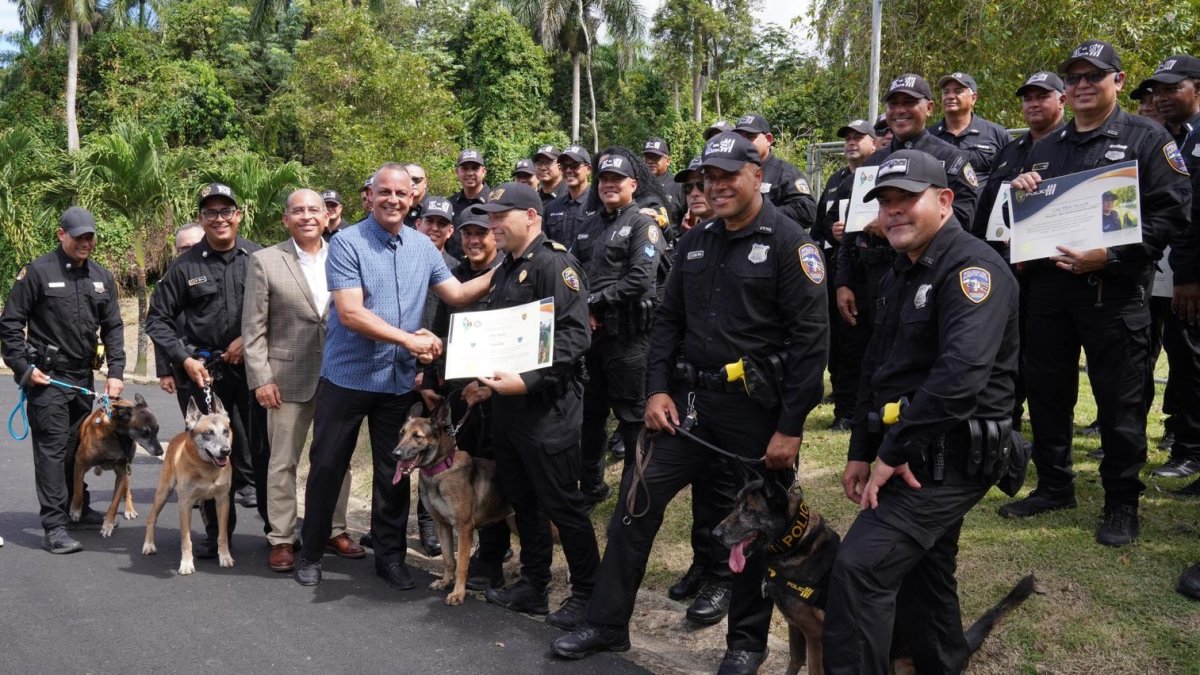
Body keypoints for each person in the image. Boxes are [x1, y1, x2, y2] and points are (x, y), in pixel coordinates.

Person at [552, 132, 828, 675]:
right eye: (708, 178)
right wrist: (656, 390)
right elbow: (667, 323)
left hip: (755, 414)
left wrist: (790, 428)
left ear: (757, 175)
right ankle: (608, 623)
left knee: (751, 530)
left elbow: (811, 345)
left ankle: (744, 644)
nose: (716, 186)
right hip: (687, 406)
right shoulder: (698, 240)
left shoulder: (792, 244)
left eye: (728, 176)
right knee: (634, 506)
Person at [822, 149, 1020, 675]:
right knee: (924, 570)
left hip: (952, 456)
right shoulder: (898, 272)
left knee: (861, 569)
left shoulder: (973, 271)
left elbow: (959, 380)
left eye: (906, 199)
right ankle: (940, 662)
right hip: (911, 448)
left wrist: (892, 451)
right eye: (885, 202)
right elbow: (876, 371)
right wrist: (861, 451)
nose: (893, 212)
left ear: (945, 200)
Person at [999, 40, 1191, 547]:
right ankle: (1055, 486)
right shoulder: (1046, 146)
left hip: (1114, 292)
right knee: (1047, 393)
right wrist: (1024, 194)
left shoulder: (1147, 140)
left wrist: (1111, 256)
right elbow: (1029, 217)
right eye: (1075, 77)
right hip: (1048, 293)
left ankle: (1122, 503)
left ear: (1119, 82)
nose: (1083, 85)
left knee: (1120, 403)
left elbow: (1171, 213)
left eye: (1094, 76)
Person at [293, 163, 495, 588]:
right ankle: (310, 552)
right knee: (328, 465)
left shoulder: (424, 247)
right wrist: (409, 340)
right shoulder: (347, 243)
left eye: (401, 194)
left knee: (395, 473)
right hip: (347, 378)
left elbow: (456, 293)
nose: (393, 200)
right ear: (370, 195)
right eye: (384, 192)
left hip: (395, 382)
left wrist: (515, 260)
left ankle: (390, 558)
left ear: (412, 199)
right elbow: (350, 313)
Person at [468, 183, 601, 632]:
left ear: (530, 216)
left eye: (498, 216)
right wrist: (488, 383)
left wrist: (525, 382)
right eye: (488, 217)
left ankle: (587, 595)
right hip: (508, 411)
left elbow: (574, 338)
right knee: (522, 501)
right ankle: (534, 584)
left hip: (548, 411)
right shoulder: (507, 268)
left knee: (562, 505)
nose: (491, 225)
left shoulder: (555, 265)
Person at [835, 74, 980, 409]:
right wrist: (844, 281)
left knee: (919, 356)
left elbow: (964, 219)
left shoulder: (951, 160)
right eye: (893, 104)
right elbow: (853, 231)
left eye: (909, 103)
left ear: (928, 108)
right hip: (874, 279)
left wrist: (898, 229)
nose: (899, 111)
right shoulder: (871, 165)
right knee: (875, 359)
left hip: (926, 276)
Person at [242, 189, 362, 573]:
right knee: (282, 463)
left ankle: (333, 528)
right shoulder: (265, 260)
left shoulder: (346, 252)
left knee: (335, 461)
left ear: (328, 216)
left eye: (314, 209)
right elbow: (253, 329)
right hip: (286, 378)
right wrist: (261, 377)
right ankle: (281, 538)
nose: (307, 216)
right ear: (285, 219)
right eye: (298, 211)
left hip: (340, 376)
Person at [146, 183, 269, 553]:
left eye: (226, 211)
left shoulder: (260, 258)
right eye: (211, 213)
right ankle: (219, 536)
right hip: (203, 371)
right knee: (208, 451)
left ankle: (275, 533)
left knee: (258, 451)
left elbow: (278, 310)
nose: (219, 218)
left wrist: (248, 343)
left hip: (252, 368)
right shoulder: (185, 266)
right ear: (202, 219)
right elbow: (158, 320)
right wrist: (182, 359)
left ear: (238, 215)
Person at [0, 207, 125, 555]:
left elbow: (113, 327)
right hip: (47, 379)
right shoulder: (38, 272)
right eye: (78, 236)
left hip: (82, 377)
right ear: (61, 234)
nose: (86, 242)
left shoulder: (101, 277)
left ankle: (76, 505)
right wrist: (24, 369)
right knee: (52, 451)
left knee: (77, 448)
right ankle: (54, 525)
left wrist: (115, 372)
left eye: (90, 236)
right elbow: (10, 325)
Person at [421, 212, 511, 591]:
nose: (474, 241)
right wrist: (429, 381)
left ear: (495, 236)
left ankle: (492, 561)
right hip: (459, 394)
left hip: (497, 393)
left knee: (493, 480)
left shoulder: (509, 274)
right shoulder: (453, 278)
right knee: (464, 476)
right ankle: (469, 561)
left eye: (482, 234)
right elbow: (440, 330)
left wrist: (489, 384)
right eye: (468, 234)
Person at [972, 71, 1066, 431]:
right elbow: (987, 209)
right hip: (1004, 270)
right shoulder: (1011, 150)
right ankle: (1005, 420)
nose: (1034, 103)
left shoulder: (1072, 147)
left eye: (1043, 96)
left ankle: (1044, 432)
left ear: (1062, 100)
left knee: (1042, 358)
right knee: (1003, 349)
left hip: (1050, 273)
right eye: (1028, 97)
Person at [573, 153, 663, 510]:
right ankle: (591, 487)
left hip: (628, 338)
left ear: (633, 185)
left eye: (617, 179)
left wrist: (595, 302)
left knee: (631, 419)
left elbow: (641, 279)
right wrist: (584, 305)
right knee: (590, 417)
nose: (609, 184)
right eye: (604, 179)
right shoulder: (589, 223)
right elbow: (575, 273)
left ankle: (634, 491)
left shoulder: (644, 224)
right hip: (591, 338)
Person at [1139, 54, 1200, 479]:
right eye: (1156, 90)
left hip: (1189, 274)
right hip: (1164, 269)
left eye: (1171, 88)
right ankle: (1184, 441)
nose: (1160, 97)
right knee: (1179, 358)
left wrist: (1190, 277)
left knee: (1191, 360)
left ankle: (1192, 450)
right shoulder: (1168, 138)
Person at [813, 119, 878, 432]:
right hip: (841, 269)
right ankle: (845, 410)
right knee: (841, 343)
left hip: (876, 269)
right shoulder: (835, 179)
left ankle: (866, 409)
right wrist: (834, 230)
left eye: (858, 137)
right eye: (847, 138)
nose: (851, 142)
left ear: (874, 142)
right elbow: (820, 224)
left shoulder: (880, 173)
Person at [731, 113, 817, 229]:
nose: (744, 143)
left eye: (750, 137)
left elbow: (807, 212)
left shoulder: (786, 173)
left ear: (768, 139)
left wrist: (762, 215)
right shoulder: (731, 172)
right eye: (740, 138)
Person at [931, 71, 1012, 183]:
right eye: (946, 92)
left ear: (973, 98)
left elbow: (1013, 173)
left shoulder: (997, 134)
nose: (950, 96)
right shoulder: (930, 136)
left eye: (958, 91)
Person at [156, 223, 205, 401]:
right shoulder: (169, 282)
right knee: (194, 424)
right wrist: (164, 371)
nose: (190, 251)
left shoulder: (221, 272)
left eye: (196, 246)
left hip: (222, 364)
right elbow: (160, 325)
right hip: (185, 365)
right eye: (184, 248)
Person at [543, 144, 595, 247]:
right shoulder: (552, 208)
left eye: (575, 165)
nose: (568, 170)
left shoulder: (599, 204)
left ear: (588, 169)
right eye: (564, 167)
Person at [643, 137, 685, 227]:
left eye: (655, 157)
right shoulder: (636, 185)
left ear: (668, 161)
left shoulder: (678, 185)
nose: (650, 161)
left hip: (670, 238)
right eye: (647, 157)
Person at [402, 163, 430, 229]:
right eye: (407, 180)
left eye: (416, 180)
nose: (412, 183)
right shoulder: (396, 206)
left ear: (425, 182)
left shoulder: (435, 207)